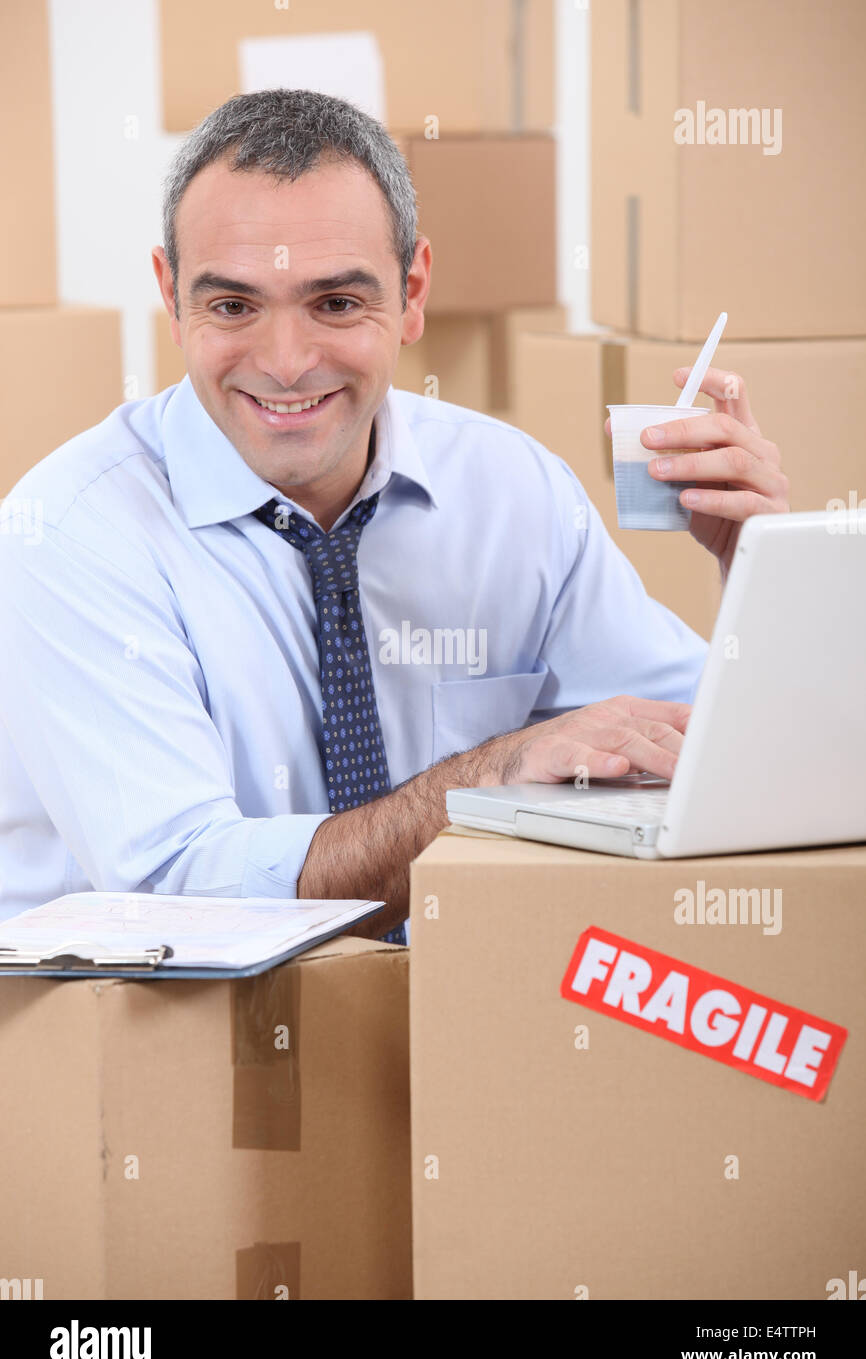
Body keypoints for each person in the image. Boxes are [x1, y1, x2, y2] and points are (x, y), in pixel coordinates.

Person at [0, 90, 789, 938]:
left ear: (412, 292)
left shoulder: (510, 490)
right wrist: (492, 775)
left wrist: (760, 579)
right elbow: (179, 896)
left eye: (336, 304)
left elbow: (716, 759)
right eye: (232, 306)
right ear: (171, 293)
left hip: (446, 1016)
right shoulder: (72, 531)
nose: (288, 362)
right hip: (157, 1041)